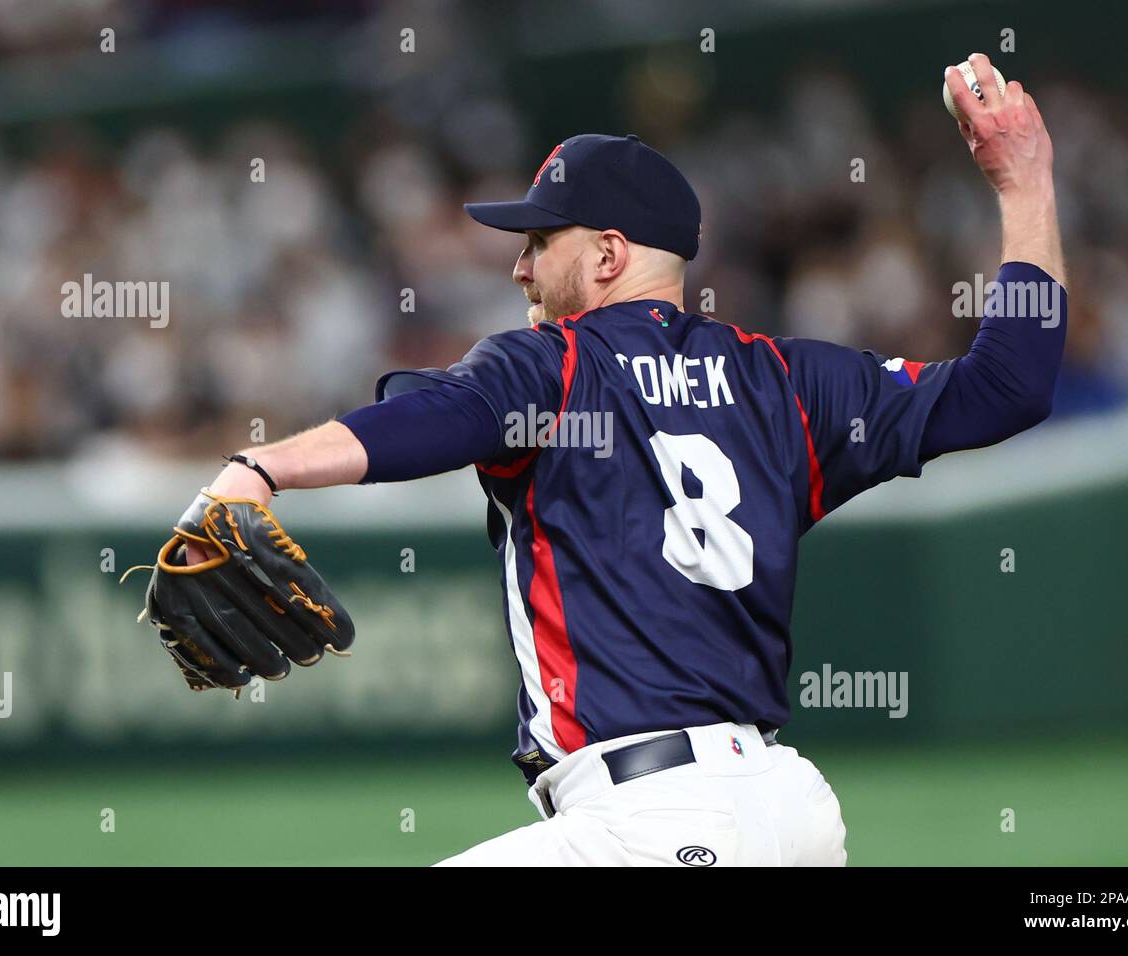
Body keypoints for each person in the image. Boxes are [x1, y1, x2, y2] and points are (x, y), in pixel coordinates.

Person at [189, 53, 1066, 865]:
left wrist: (256, 471)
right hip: (788, 811)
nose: (522, 270)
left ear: (608, 254)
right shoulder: (791, 382)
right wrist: (1024, 181)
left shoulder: (555, 364)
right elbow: (1008, 388)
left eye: (540, 243)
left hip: (652, 820)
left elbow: (433, 419)